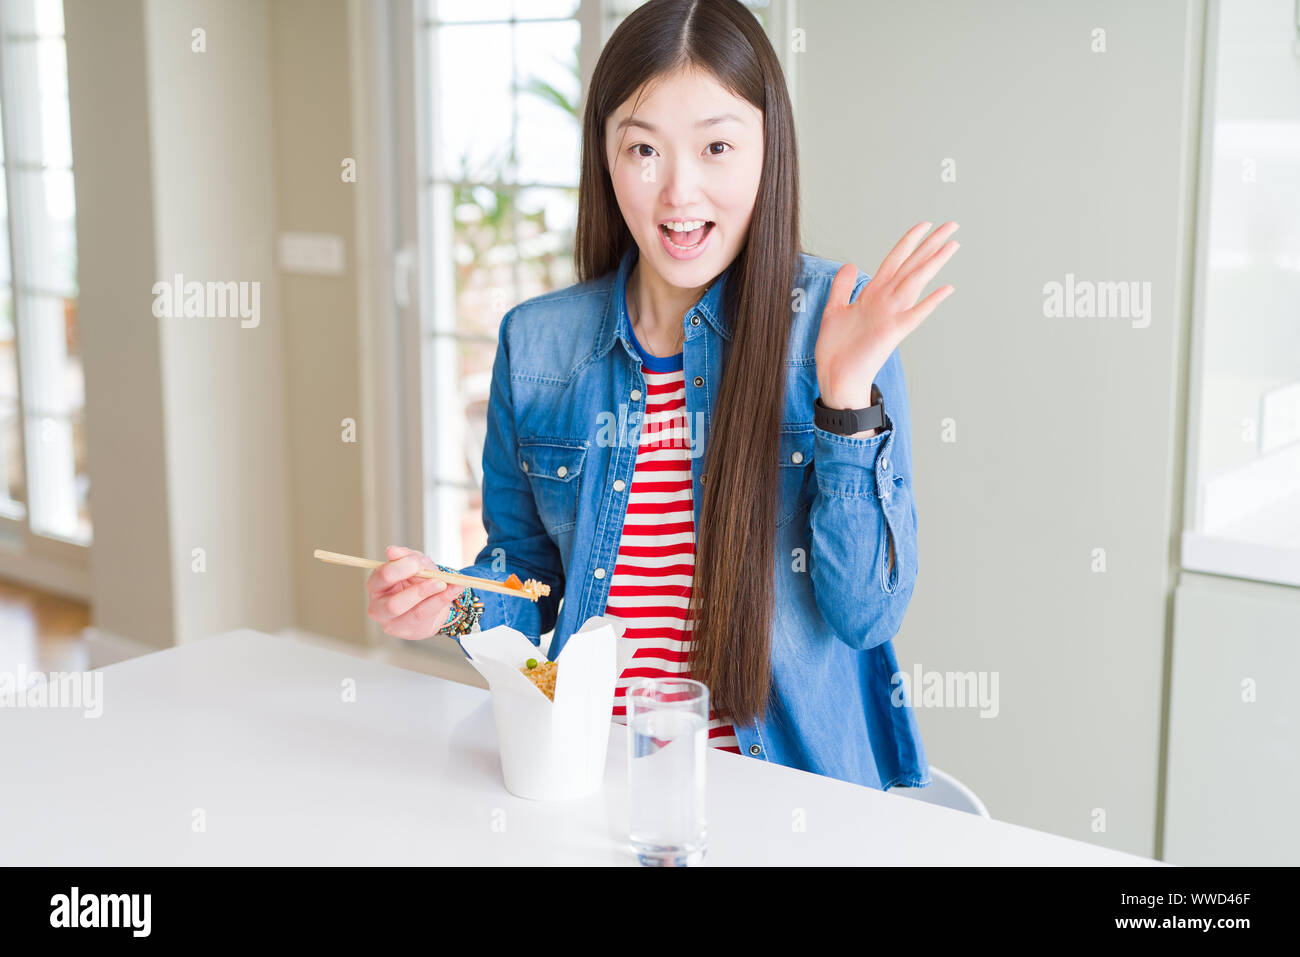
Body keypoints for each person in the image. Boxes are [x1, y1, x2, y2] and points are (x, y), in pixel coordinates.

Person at [367, 0, 958, 790]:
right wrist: (453, 603)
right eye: (643, 148)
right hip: (597, 782)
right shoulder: (538, 346)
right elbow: (526, 586)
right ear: (606, 159)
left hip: (784, 802)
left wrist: (845, 398)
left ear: (767, 150)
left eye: (716, 146)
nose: (679, 192)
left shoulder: (834, 327)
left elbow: (865, 616)